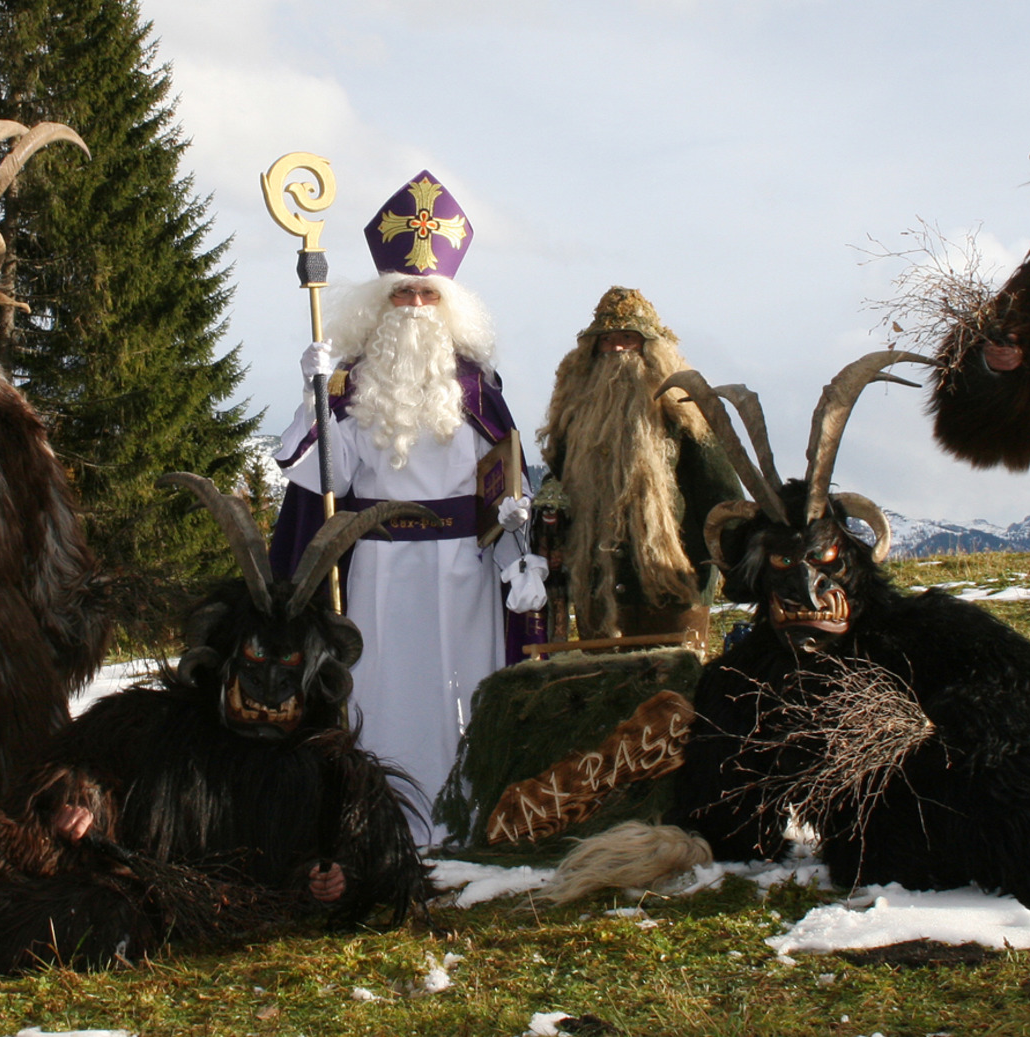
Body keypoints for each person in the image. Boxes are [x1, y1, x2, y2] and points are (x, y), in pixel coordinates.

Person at [268, 171, 544, 838]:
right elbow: (310, 478)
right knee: (381, 696)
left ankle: (466, 822)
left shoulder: (478, 389)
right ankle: (379, 825)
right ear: (381, 303)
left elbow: (505, 487)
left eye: (427, 292)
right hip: (380, 570)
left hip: (462, 573)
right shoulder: (351, 388)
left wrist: (517, 556)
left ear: (447, 304)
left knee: (463, 695)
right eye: (403, 294)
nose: (416, 303)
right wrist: (312, 400)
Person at [536, 287, 741, 649]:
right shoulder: (574, 417)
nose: (616, 348)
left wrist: (735, 565)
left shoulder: (686, 413)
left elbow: (722, 498)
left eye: (628, 338)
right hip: (596, 588)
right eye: (607, 340)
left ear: (650, 348)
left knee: (674, 691)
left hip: (673, 587)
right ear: (592, 349)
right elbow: (559, 479)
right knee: (605, 690)